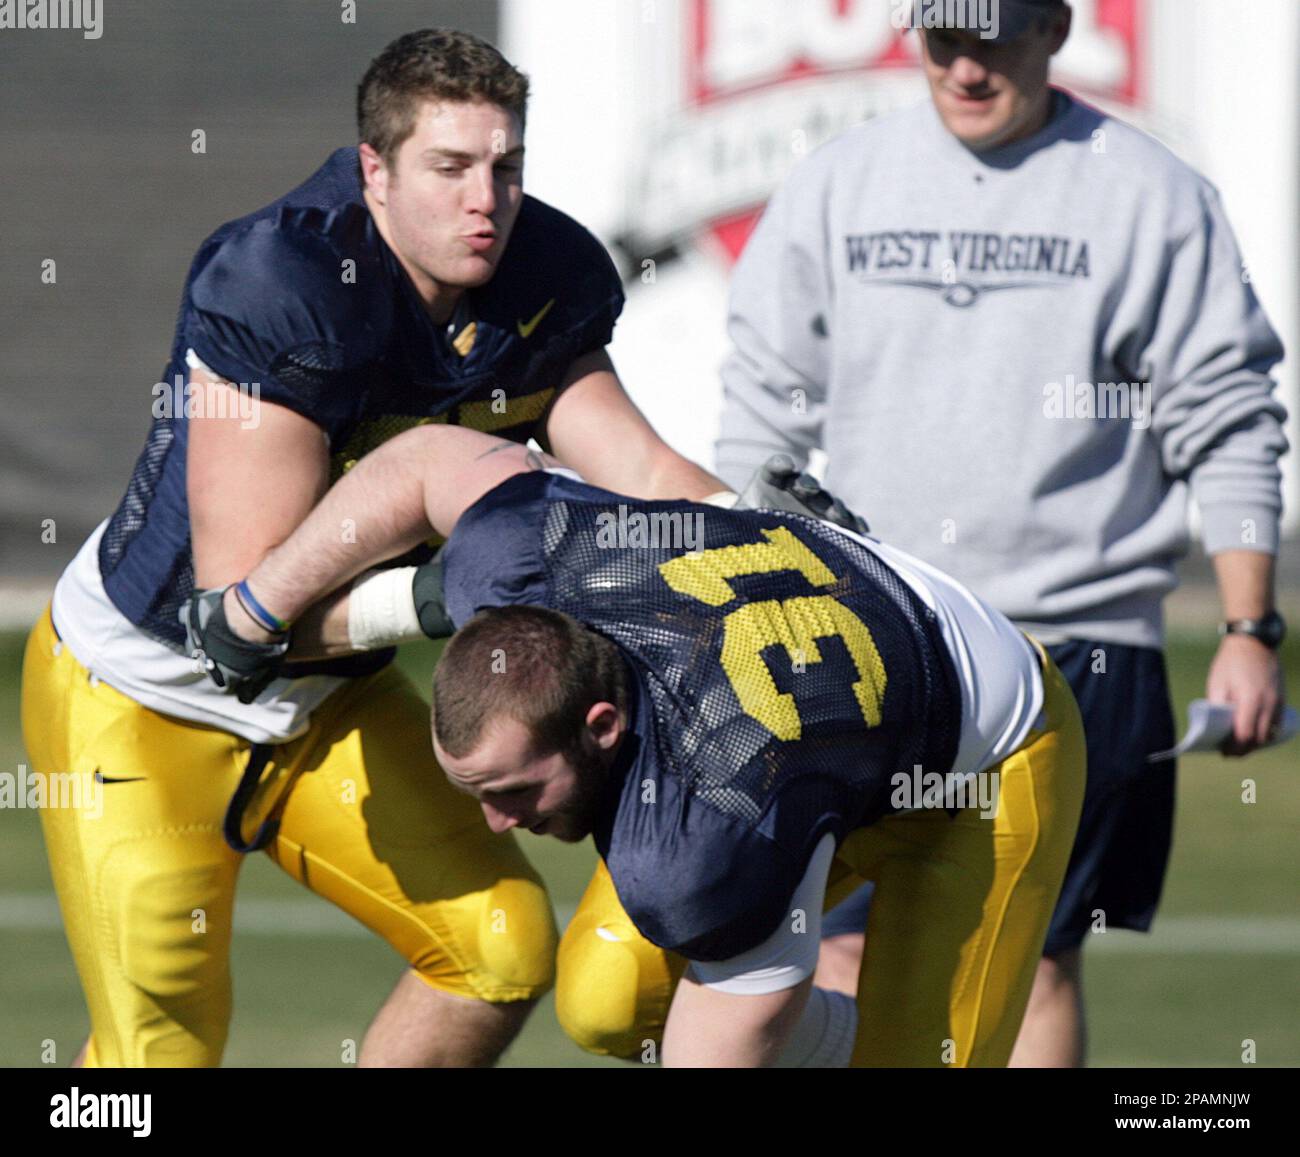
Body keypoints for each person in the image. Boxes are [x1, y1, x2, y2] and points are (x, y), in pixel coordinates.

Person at [20, 27, 727, 1067]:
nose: (486, 199)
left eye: (506, 166)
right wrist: (450, 598)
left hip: (327, 702)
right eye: (449, 167)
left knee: (497, 948)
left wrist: (769, 533)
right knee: (156, 1052)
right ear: (375, 171)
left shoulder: (544, 270)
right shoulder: (286, 281)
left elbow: (648, 475)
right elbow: (243, 621)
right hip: (149, 691)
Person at [714, 0, 1290, 1066]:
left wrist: (1251, 626)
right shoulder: (840, 182)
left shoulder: (1151, 193)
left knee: (1030, 966)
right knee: (830, 958)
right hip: (876, 641)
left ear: (1057, 28)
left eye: (997, 37)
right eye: (944, 38)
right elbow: (762, 408)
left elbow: (1228, 414)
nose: (967, 66)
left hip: (1076, 644)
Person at [206, 422, 1087, 1066]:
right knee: (610, 1000)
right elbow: (431, 457)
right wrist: (258, 606)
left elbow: (725, 1038)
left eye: (514, 790)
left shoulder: (710, 828)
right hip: (819, 715)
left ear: (601, 724)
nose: (499, 823)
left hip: (979, 754)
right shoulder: (528, 563)